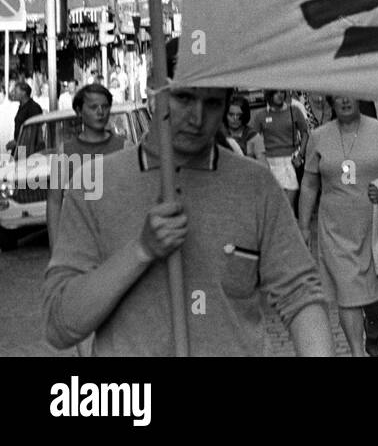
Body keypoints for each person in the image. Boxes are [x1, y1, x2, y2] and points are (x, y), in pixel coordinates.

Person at [44, 75, 333, 356]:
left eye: (212, 103)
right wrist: (140, 251)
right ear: (152, 94)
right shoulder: (92, 183)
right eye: (183, 97)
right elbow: (60, 324)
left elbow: (300, 294)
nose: (197, 118)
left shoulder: (256, 186)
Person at [298, 93, 378, 357]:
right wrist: (303, 227)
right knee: (347, 292)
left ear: (359, 98)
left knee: (376, 295)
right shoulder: (319, 137)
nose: (345, 102)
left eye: (349, 97)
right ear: (330, 102)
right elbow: (310, 184)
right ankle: (357, 351)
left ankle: (372, 321)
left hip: (374, 227)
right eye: (338, 98)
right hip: (334, 230)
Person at [47, 83, 127, 251]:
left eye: (105, 106)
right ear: (79, 111)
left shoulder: (125, 148)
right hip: (79, 245)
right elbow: (54, 202)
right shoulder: (64, 152)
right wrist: (55, 248)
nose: (100, 112)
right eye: (93, 107)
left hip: (118, 243)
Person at [251, 89, 311, 210]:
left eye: (282, 92)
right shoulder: (261, 115)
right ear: (269, 95)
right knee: (274, 204)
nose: (280, 95)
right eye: (276, 92)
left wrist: (300, 154)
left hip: (291, 161)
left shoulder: (294, 111)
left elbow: (305, 133)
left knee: (288, 205)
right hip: (270, 162)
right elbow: (252, 137)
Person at [223, 95, 265, 161]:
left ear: (245, 115)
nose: (235, 118)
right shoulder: (218, 134)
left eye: (239, 115)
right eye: (231, 114)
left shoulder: (253, 136)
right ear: (225, 114)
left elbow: (263, 164)